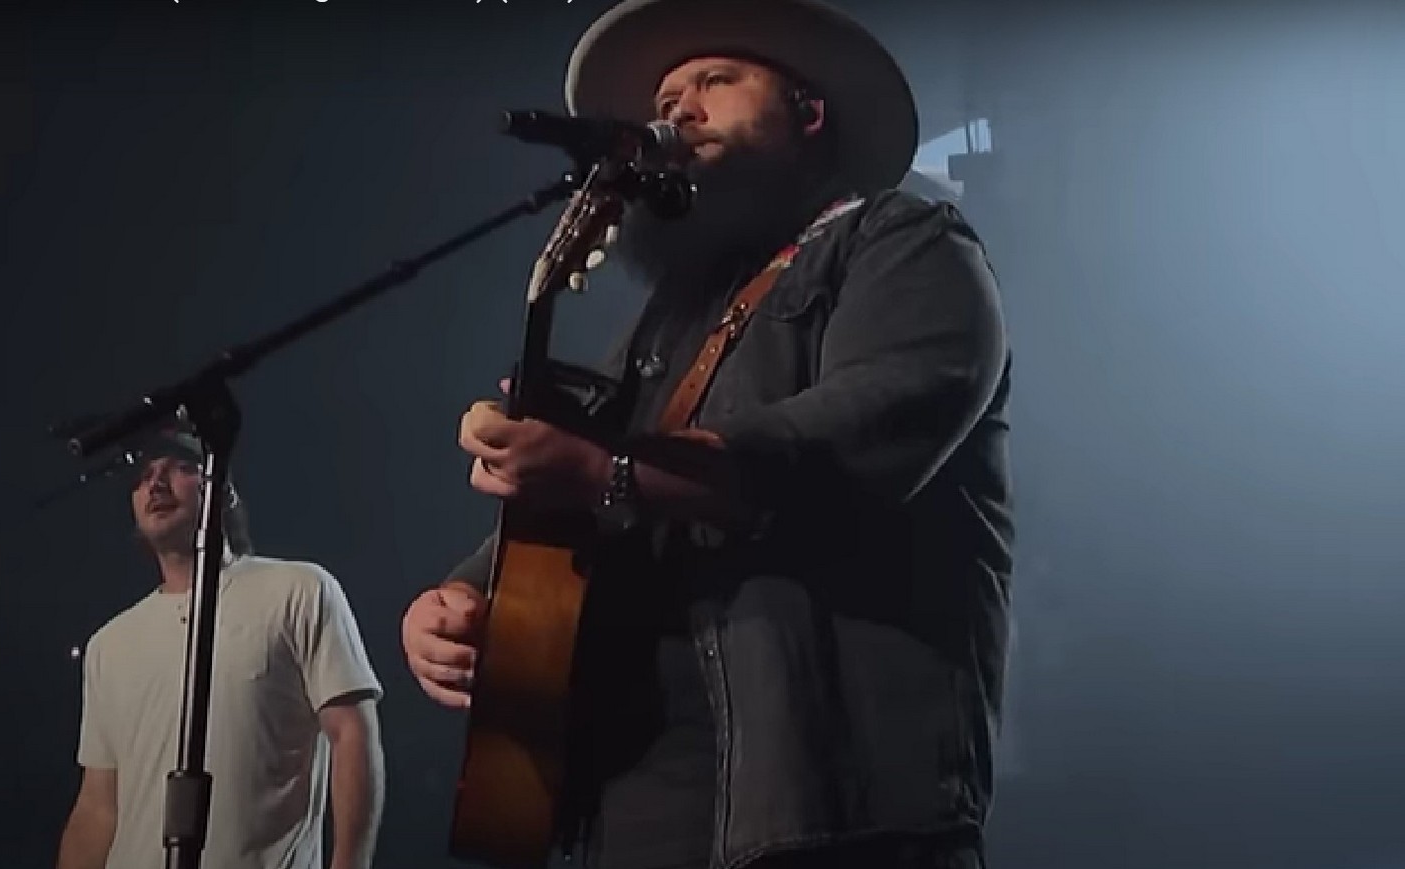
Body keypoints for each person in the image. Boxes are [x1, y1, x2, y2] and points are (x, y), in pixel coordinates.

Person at [401, 0, 1013, 867]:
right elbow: (584, 495)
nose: (676, 109)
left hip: (835, 807)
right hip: (637, 813)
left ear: (808, 113)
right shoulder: (662, 325)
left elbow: (855, 436)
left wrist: (607, 469)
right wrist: (456, 601)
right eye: (667, 91)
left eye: (715, 81)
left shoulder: (901, 240)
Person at [57, 427, 385, 869]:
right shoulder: (108, 645)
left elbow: (352, 735)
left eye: (180, 467)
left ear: (221, 490)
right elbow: (98, 806)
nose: (156, 483)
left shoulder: (299, 590)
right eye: (145, 475)